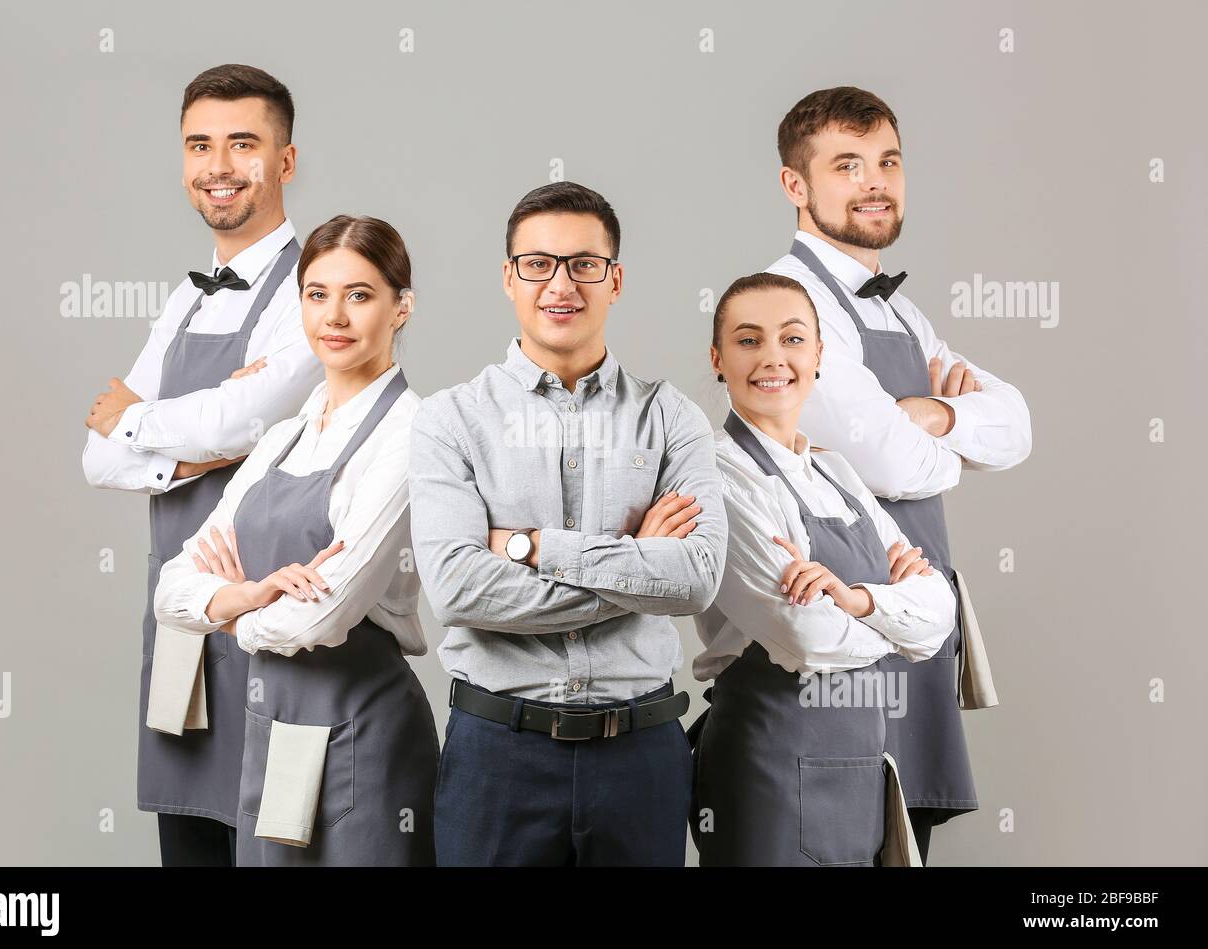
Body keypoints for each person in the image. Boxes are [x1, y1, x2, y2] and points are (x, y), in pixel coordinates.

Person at [409, 181, 728, 866]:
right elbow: (458, 591)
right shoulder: (450, 420)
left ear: (615, 280)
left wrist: (531, 547)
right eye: (538, 263)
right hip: (498, 755)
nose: (562, 284)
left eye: (584, 264)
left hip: (642, 756)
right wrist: (637, 559)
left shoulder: (672, 418)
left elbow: (695, 581)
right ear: (509, 277)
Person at [764, 86, 1032, 861]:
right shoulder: (792, 301)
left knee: (908, 840)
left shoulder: (905, 314)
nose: (874, 181)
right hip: (853, 617)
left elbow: (1016, 423)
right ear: (795, 186)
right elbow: (885, 459)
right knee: (847, 833)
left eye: (887, 161)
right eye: (846, 165)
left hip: (917, 612)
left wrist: (934, 414)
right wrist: (928, 430)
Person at [81, 64, 324, 866]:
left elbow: (252, 416)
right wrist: (206, 447)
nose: (218, 165)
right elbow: (97, 457)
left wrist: (146, 423)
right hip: (184, 624)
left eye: (243, 143)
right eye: (200, 145)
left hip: (271, 622)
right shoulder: (187, 297)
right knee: (189, 842)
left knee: (279, 838)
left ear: (285, 162)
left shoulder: (315, 286)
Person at [153, 215, 438, 866]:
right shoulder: (284, 435)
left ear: (402, 308)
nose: (334, 316)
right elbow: (174, 585)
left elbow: (325, 613)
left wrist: (229, 610)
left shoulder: (412, 435)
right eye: (316, 294)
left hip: (366, 730)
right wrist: (254, 595)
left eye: (359, 295)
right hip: (274, 728)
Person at [691, 272, 955, 866]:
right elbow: (804, 638)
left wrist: (857, 600)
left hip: (859, 762)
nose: (773, 359)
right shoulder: (715, 472)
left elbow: (940, 616)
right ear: (718, 358)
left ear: (818, 355)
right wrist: (894, 609)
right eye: (748, 340)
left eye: (791, 339)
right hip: (766, 763)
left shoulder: (839, 473)